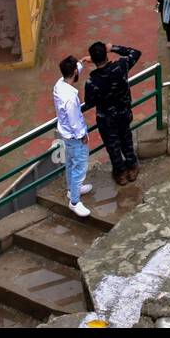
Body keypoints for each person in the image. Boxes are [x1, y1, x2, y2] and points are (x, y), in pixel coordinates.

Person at [83, 40, 143, 185]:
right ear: (106, 54)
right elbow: (136, 53)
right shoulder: (121, 67)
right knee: (126, 139)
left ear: (93, 60)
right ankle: (132, 166)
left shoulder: (92, 81)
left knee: (113, 146)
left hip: (107, 119)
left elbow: (89, 102)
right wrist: (113, 48)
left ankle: (120, 173)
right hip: (124, 113)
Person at [53, 55, 93, 217]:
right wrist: (82, 135)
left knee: (70, 163)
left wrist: (82, 62)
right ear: (74, 72)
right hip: (75, 136)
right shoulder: (70, 98)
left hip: (66, 135)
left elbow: (73, 71)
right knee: (79, 167)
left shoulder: (59, 85)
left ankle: (72, 190)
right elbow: (74, 120)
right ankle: (75, 202)